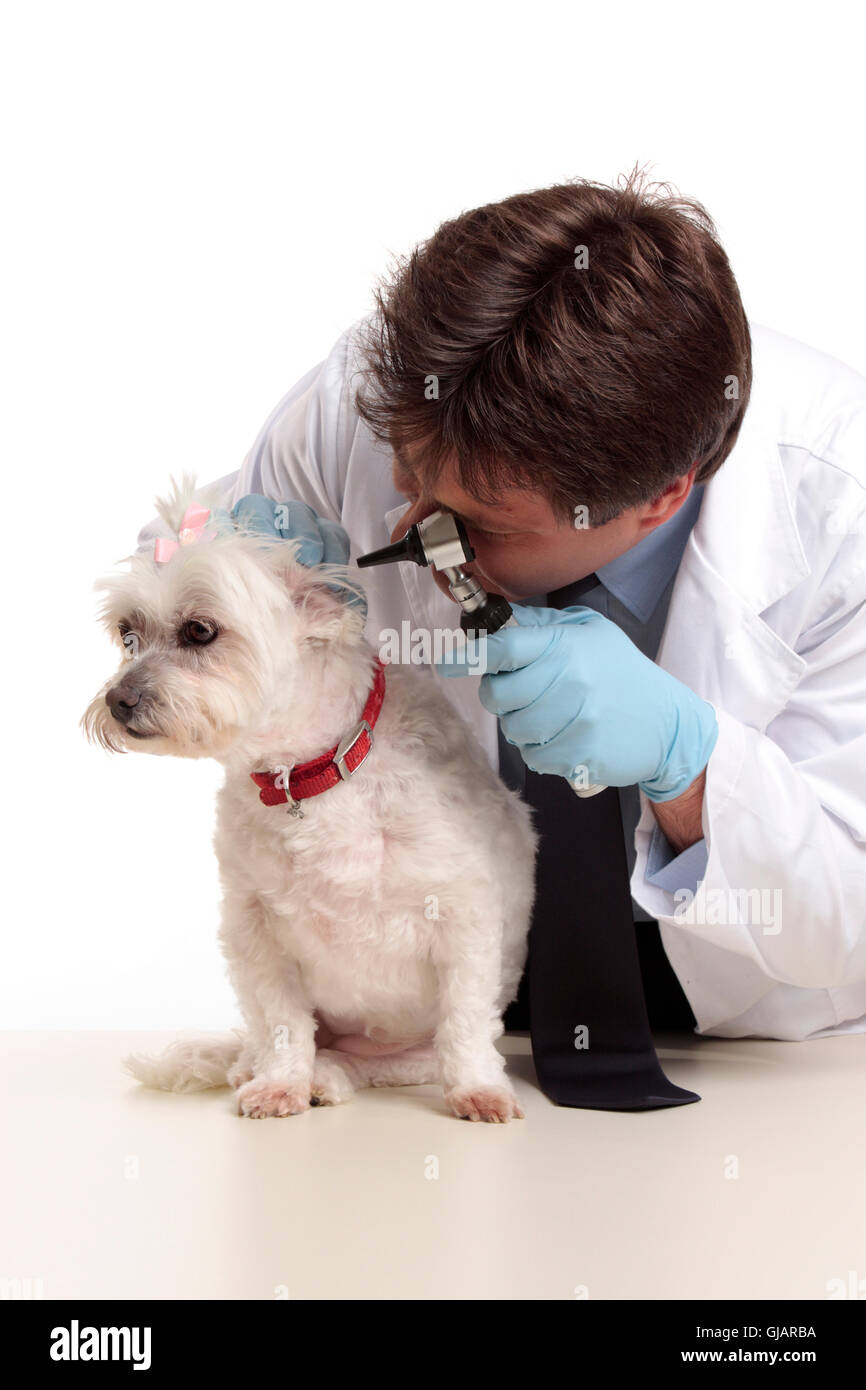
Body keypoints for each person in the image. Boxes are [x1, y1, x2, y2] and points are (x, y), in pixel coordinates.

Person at [138, 171, 866, 1044]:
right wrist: (219, 552)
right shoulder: (367, 397)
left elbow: (848, 919)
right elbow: (180, 573)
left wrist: (690, 766)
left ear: (662, 497)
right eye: (407, 480)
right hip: (424, 1000)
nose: (412, 531)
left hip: (740, 1022)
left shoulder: (839, 505)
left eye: (479, 523)